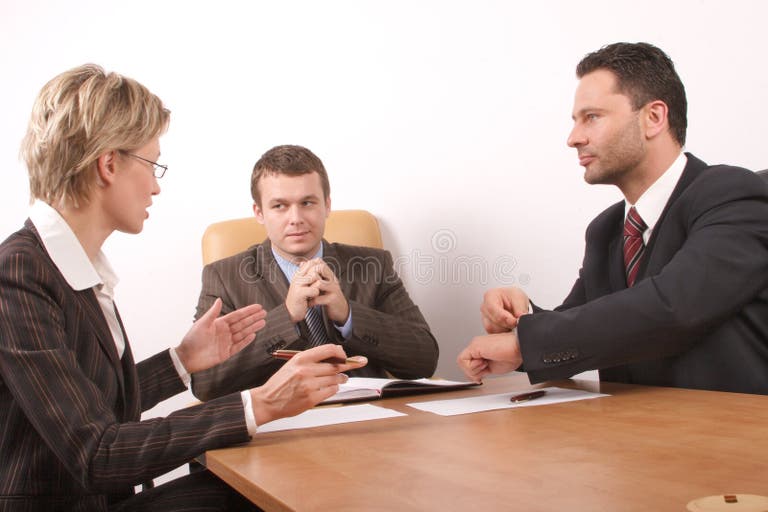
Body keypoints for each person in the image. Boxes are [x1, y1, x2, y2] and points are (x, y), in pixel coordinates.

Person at [0, 64, 367, 511]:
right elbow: (96, 453)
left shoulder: (69, 265)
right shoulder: (19, 273)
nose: (156, 186)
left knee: (286, 483)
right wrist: (261, 403)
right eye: (152, 163)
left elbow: (91, 402)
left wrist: (181, 361)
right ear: (109, 163)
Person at [458, 42, 768, 395]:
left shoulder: (733, 194)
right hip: (633, 437)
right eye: (575, 121)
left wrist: (525, 343)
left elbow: (673, 306)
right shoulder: (606, 230)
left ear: (654, 118)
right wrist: (523, 318)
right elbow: (589, 323)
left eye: (592, 117)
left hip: (739, 436)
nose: (573, 138)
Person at [191, 145, 438, 400]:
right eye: (279, 206)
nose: (296, 218)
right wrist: (286, 317)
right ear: (259, 213)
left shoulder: (373, 265)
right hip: (279, 427)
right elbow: (205, 383)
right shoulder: (224, 277)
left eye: (307, 202)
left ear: (327, 206)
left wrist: (348, 314)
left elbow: (425, 360)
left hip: (367, 418)